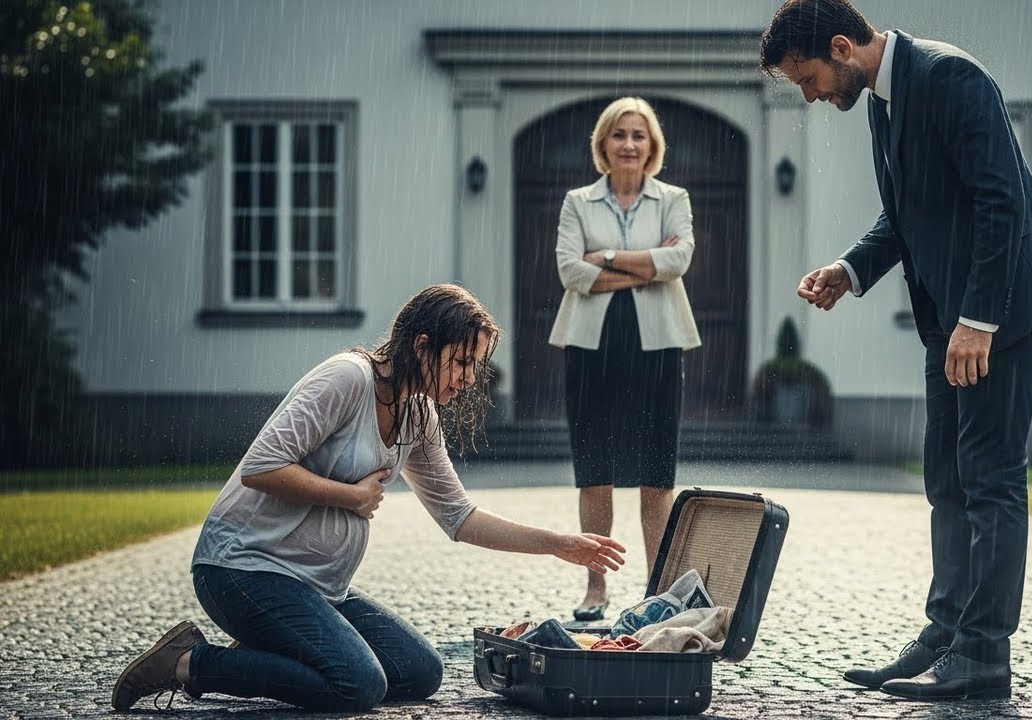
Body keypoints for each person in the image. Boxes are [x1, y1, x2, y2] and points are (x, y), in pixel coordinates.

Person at [760, 0, 1032, 702]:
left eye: (808, 79)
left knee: (991, 478)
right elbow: (907, 211)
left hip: (1000, 312)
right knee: (946, 475)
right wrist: (850, 270)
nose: (811, 97)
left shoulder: (951, 78)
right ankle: (946, 634)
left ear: (841, 47)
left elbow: (1001, 203)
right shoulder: (885, 99)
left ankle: (983, 656)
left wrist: (979, 320)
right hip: (951, 317)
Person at [111, 284, 626, 713]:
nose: (469, 377)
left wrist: (559, 544)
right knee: (358, 685)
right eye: (462, 361)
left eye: (476, 365)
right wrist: (350, 496)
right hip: (240, 570)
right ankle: (187, 663)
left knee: (420, 673)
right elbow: (261, 468)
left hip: (314, 587)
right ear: (423, 346)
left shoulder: (418, 414)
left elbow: (460, 516)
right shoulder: (348, 378)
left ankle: (274, 645)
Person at [548, 97, 701, 622]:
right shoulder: (577, 202)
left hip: (658, 344)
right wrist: (648, 267)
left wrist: (608, 259)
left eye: (639, 135)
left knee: (657, 474)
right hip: (590, 347)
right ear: (604, 146)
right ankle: (596, 588)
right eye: (619, 135)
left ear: (652, 146)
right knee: (595, 471)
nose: (629, 144)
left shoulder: (673, 197)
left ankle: (658, 590)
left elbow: (680, 259)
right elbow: (571, 272)